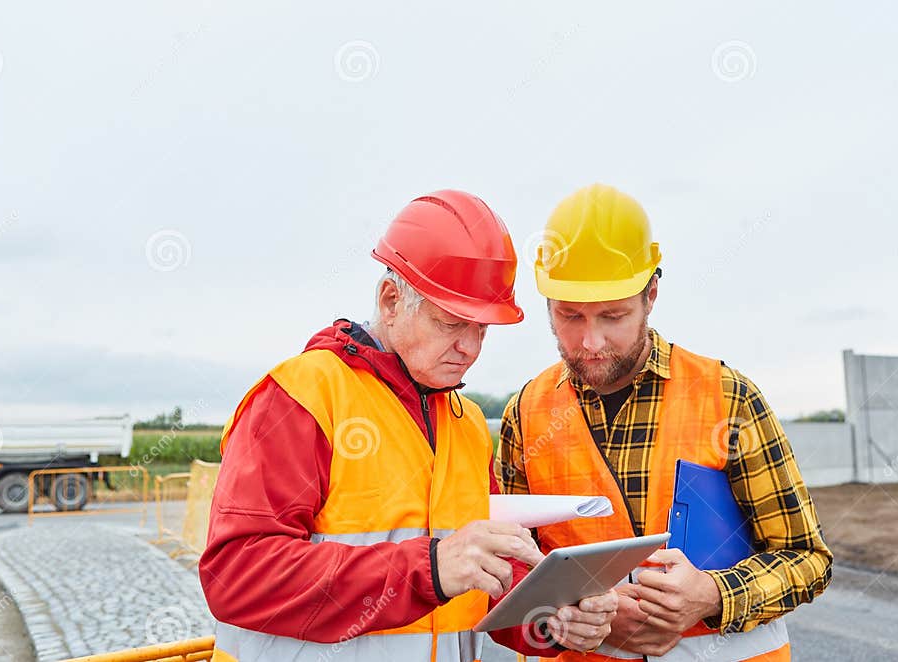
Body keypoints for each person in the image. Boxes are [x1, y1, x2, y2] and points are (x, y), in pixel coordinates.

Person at [200, 190, 619, 662]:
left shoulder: (467, 425)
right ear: (391, 299)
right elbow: (236, 576)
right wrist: (432, 568)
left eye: (481, 329)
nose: (469, 347)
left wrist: (550, 618)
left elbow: (481, 578)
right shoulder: (303, 395)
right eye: (451, 323)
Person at [497, 183, 832, 662]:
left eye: (612, 316)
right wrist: (571, 612)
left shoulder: (728, 398)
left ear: (651, 293)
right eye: (570, 316)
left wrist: (712, 595)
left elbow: (808, 560)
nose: (591, 342)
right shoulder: (525, 414)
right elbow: (511, 567)